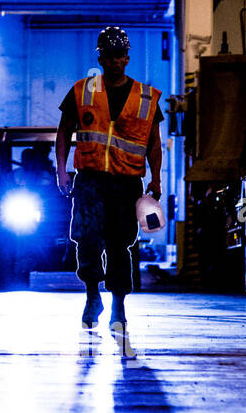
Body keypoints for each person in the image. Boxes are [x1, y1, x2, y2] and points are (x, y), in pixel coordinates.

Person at [55, 27, 164, 330]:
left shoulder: (146, 96)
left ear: (127, 57)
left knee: (120, 244)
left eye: (120, 55)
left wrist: (156, 179)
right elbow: (64, 131)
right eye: (110, 55)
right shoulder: (83, 90)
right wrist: (61, 170)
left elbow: (154, 142)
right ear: (100, 57)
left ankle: (118, 304)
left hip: (127, 182)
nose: (116, 61)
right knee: (87, 237)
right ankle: (92, 296)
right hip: (90, 179)